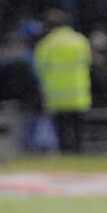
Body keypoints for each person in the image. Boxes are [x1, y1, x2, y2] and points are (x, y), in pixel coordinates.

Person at [33, 9, 92, 153]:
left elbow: (38, 69)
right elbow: (88, 63)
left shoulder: (46, 44)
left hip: (56, 97)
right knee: (78, 132)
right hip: (78, 95)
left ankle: (66, 155)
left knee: (62, 133)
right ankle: (79, 155)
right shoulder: (80, 41)